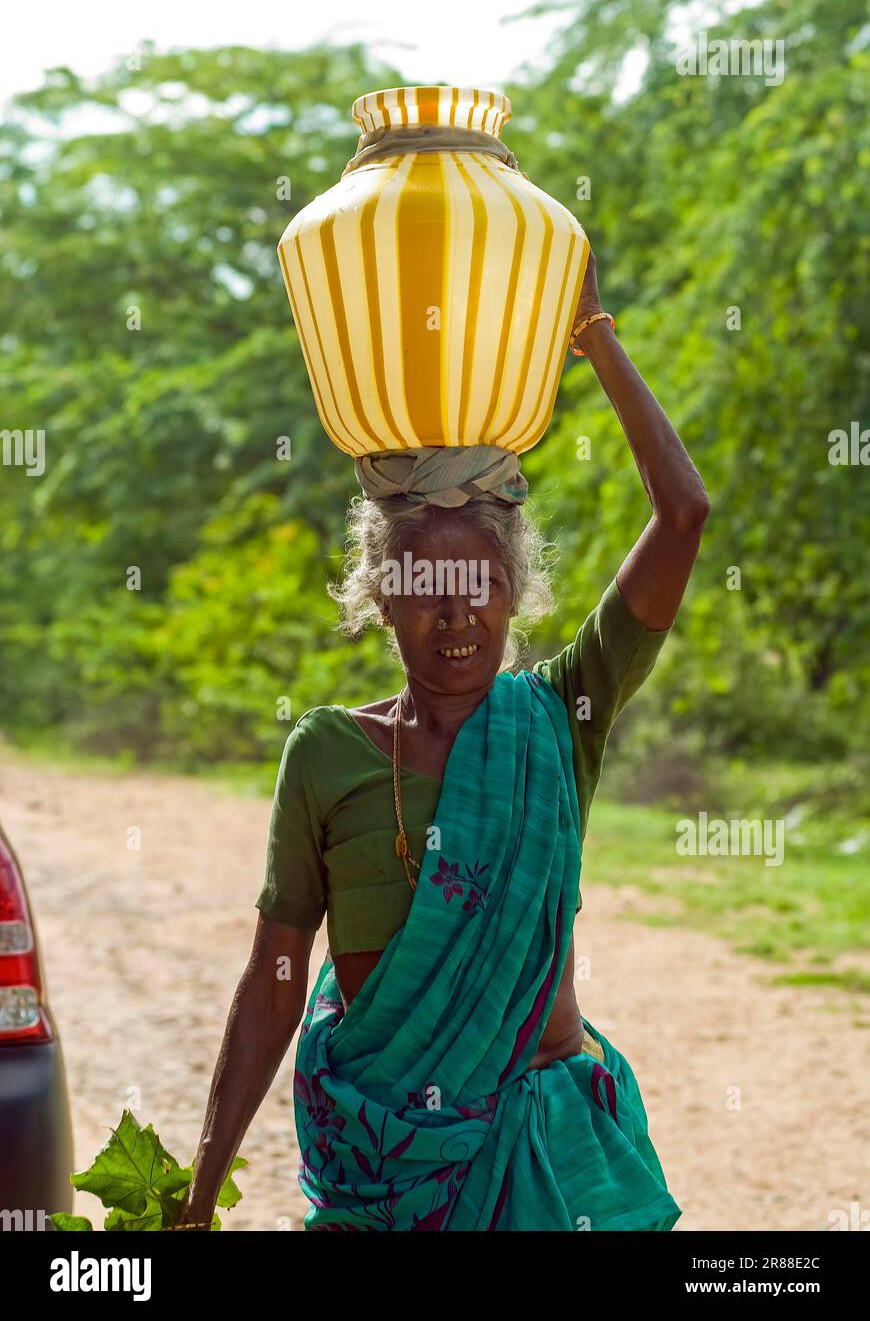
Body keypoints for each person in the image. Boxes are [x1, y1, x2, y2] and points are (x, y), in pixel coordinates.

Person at [177, 251, 710, 1231]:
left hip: (545, 1150)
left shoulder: (558, 718)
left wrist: (594, 333)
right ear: (383, 596)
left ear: (516, 594)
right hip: (386, 1162)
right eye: (427, 589)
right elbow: (277, 976)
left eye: (483, 588)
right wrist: (200, 1187)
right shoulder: (327, 752)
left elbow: (684, 514)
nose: (457, 617)